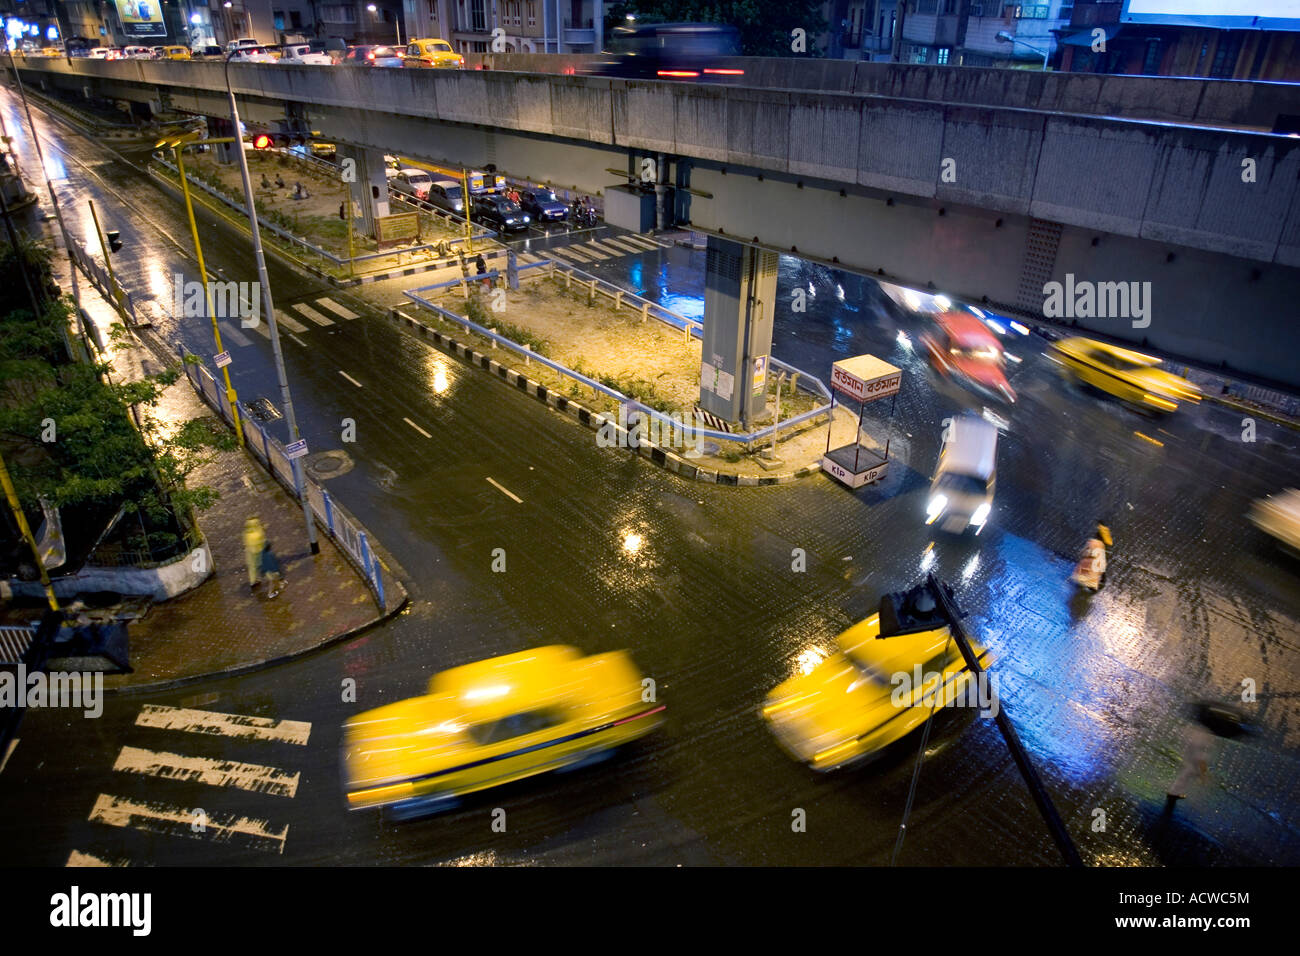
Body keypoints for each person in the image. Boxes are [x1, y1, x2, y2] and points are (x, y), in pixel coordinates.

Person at [242, 517, 265, 592]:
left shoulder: (246, 533)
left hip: (250, 554)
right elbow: (261, 541)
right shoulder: (257, 533)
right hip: (257, 553)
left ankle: (253, 581)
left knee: (252, 569)